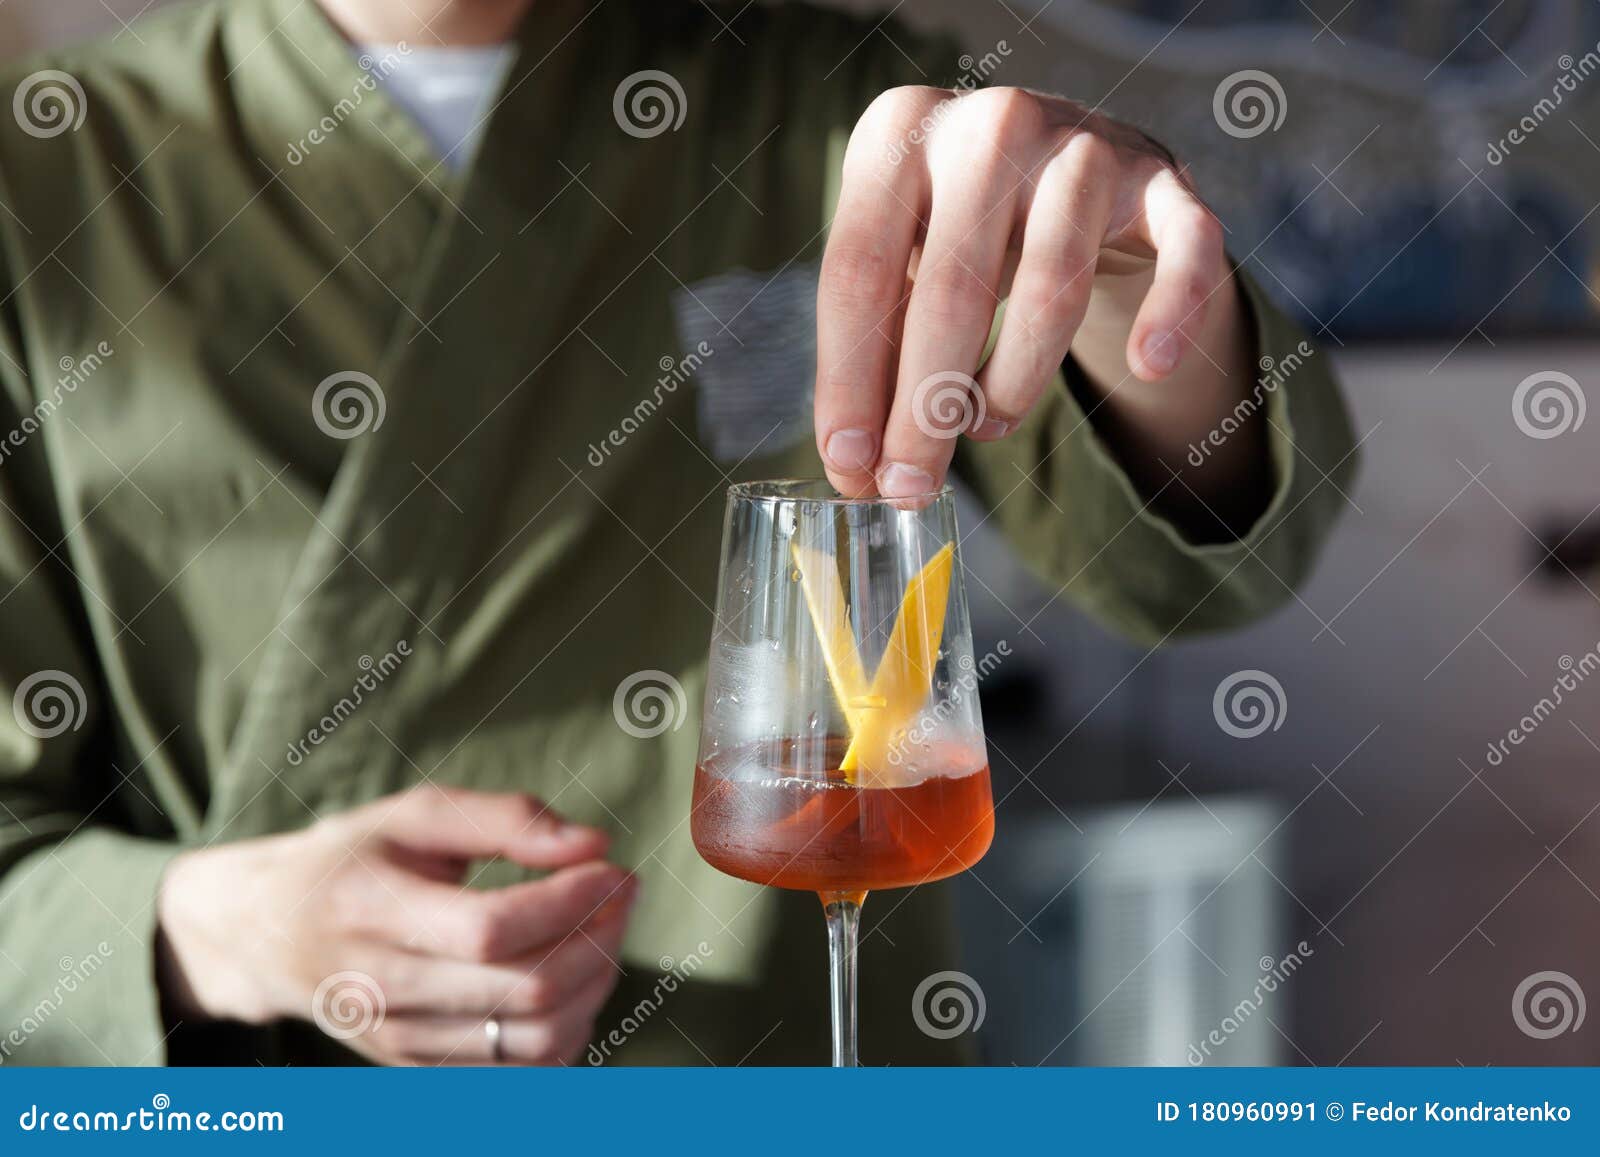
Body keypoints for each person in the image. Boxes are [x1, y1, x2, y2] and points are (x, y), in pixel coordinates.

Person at [0, 0, 1355, 1066]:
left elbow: (1198, 564)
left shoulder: (834, 109)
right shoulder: (44, 177)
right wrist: (214, 927)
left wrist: (1131, 295)